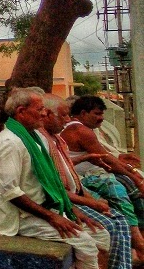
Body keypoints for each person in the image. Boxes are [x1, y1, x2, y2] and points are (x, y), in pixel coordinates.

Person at [0, 87, 110, 269]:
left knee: (101, 234)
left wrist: (72, 211)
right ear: (21, 111)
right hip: (22, 218)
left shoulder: (36, 137)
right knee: (85, 243)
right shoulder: (9, 142)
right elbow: (11, 193)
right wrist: (53, 218)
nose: (44, 113)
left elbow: (51, 181)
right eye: (39, 109)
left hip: (49, 208)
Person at [40, 93, 131, 269]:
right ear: (46, 115)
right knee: (109, 225)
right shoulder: (41, 142)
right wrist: (90, 203)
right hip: (60, 204)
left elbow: (72, 177)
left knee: (120, 219)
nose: (67, 120)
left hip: (74, 196)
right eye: (64, 115)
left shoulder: (57, 139)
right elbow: (54, 189)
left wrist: (91, 199)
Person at [61, 95, 144, 258]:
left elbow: (108, 157)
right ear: (83, 113)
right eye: (97, 114)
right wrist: (135, 177)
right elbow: (107, 159)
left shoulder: (86, 129)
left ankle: (139, 241)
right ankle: (139, 244)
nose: (101, 119)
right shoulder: (80, 129)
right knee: (119, 191)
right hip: (83, 179)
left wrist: (133, 175)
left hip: (93, 175)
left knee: (132, 190)